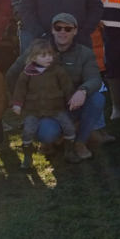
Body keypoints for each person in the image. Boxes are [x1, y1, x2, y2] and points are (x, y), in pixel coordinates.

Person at [6, 14, 114, 156]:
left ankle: (80, 142)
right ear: (52, 30)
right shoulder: (36, 51)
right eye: (58, 28)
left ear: (75, 31)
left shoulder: (85, 53)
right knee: (47, 134)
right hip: (47, 109)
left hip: (73, 104)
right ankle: (49, 140)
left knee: (97, 99)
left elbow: (94, 79)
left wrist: (82, 91)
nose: (62, 32)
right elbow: (12, 75)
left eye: (68, 28)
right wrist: (25, 102)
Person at [13, 39, 80, 167]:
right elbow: (20, 90)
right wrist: (17, 103)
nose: (48, 58)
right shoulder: (26, 73)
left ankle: (69, 152)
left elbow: (67, 87)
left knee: (70, 128)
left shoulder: (58, 71)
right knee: (27, 132)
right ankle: (27, 157)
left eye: (50, 54)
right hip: (33, 111)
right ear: (34, 58)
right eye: (43, 56)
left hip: (56, 109)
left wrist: (71, 99)